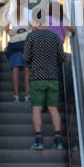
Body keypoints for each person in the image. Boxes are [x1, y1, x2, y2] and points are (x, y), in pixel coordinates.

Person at [22, 14, 64, 151]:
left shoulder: (31, 37)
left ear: (35, 22)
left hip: (37, 78)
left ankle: (39, 140)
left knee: (36, 108)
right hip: (53, 78)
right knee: (53, 109)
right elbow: (62, 58)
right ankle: (58, 142)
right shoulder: (54, 37)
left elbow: (26, 57)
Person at [5, 0, 31, 101]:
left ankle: (16, 95)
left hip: (14, 42)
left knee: (15, 68)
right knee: (26, 69)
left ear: (16, 1)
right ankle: (27, 95)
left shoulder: (11, 13)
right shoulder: (29, 12)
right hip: (26, 42)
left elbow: (6, 29)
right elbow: (34, 27)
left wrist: (14, 32)